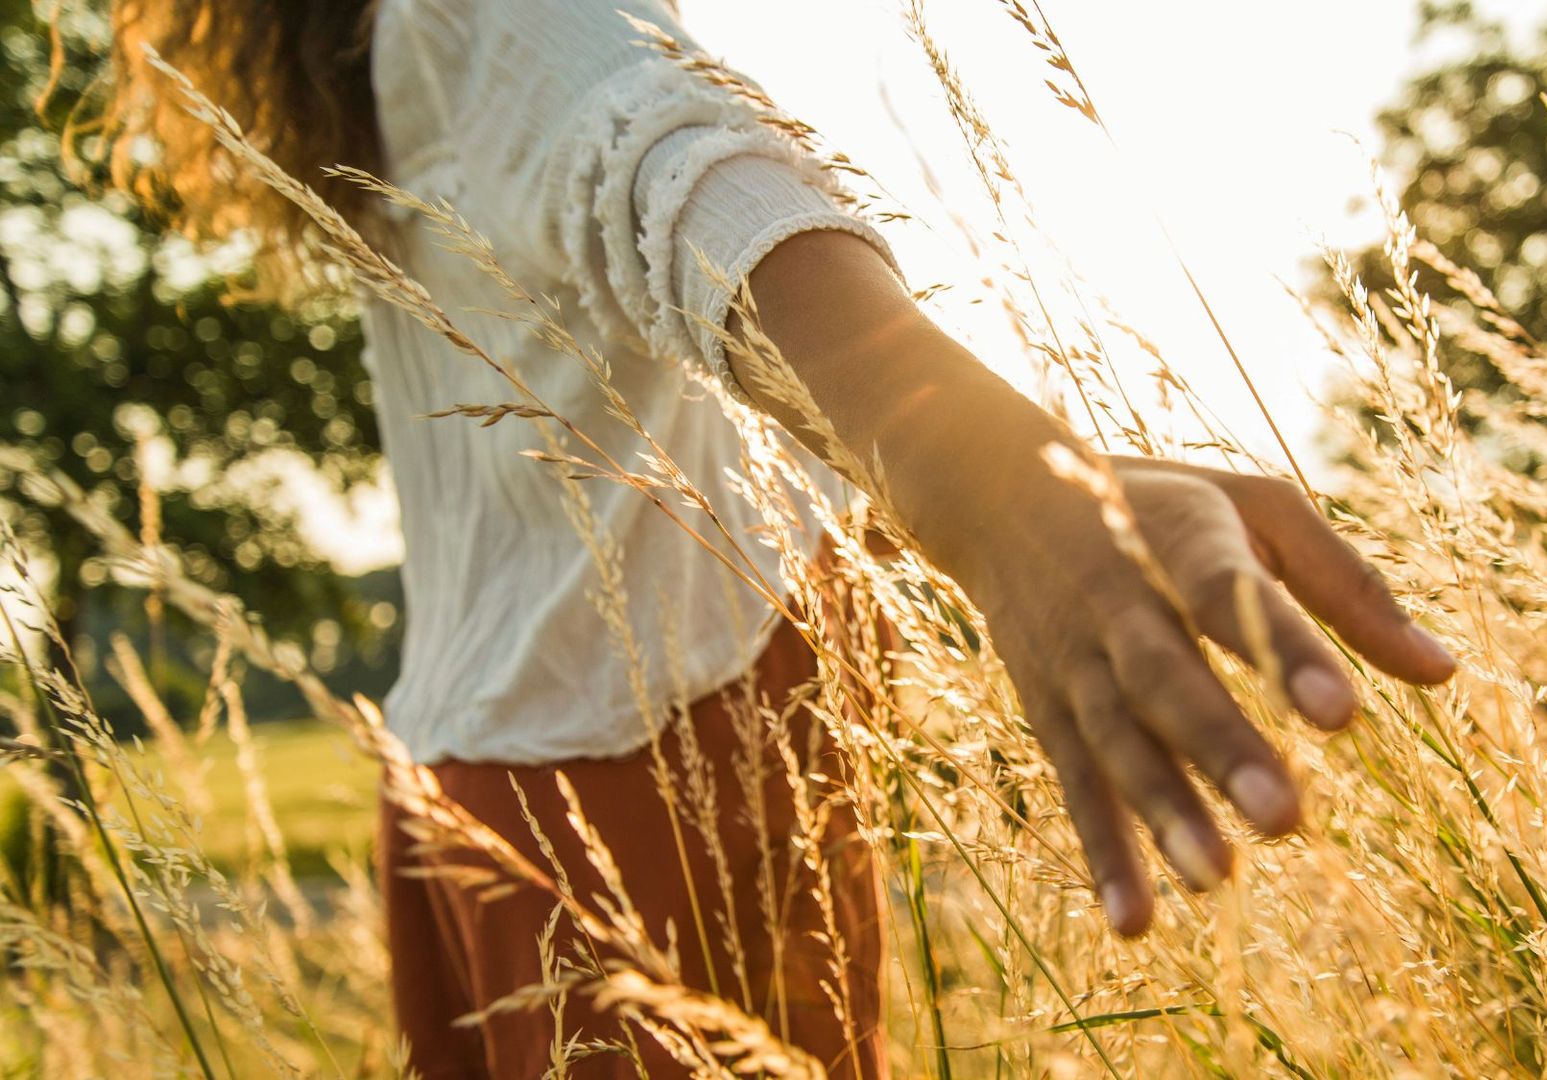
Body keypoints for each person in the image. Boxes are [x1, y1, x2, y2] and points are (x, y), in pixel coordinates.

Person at [97, 0, 1457, 1075]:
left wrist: (987, 475)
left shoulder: (388, 36)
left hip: (478, 777)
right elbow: (673, 170)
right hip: (643, 780)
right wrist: (986, 483)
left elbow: (637, 303)